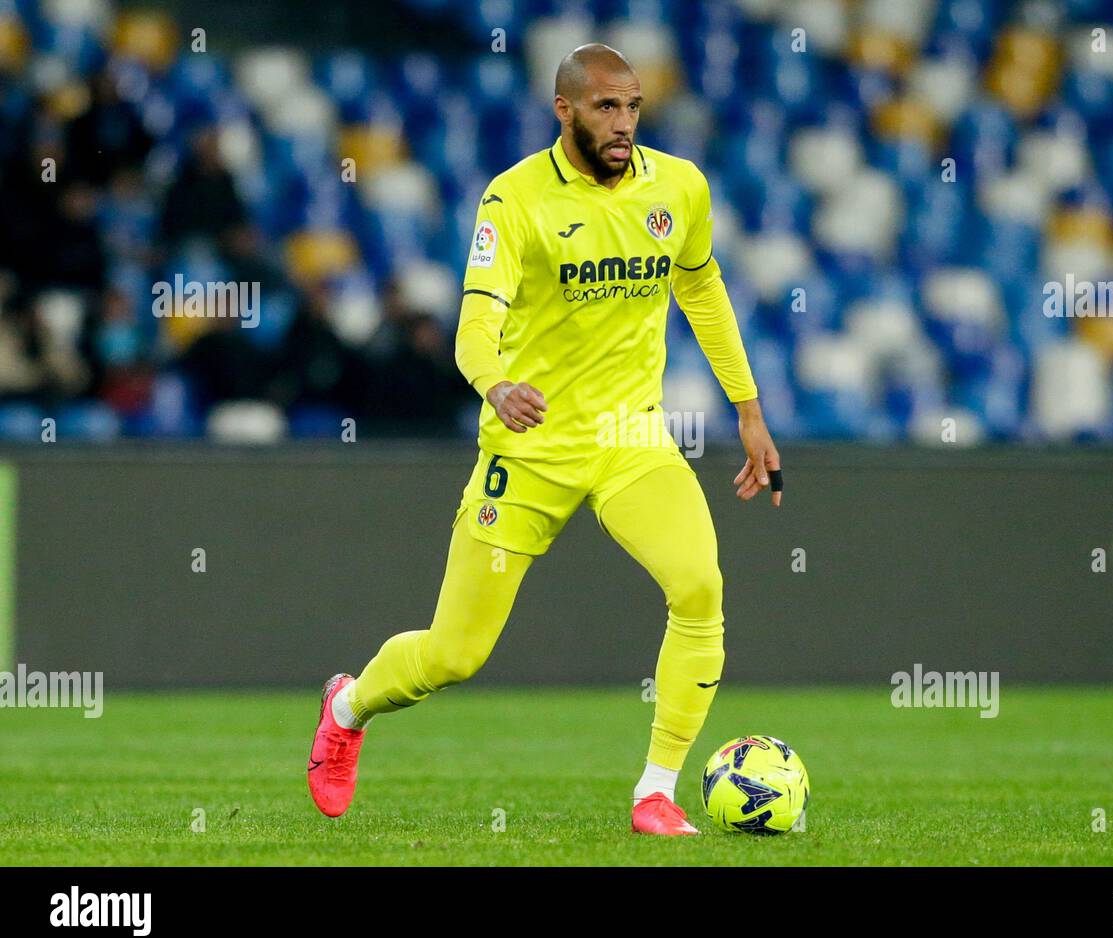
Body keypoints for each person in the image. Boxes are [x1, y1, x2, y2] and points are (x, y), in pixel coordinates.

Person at [306, 43, 783, 836]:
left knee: (699, 586)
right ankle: (348, 706)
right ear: (564, 110)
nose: (624, 122)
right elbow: (474, 325)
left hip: (632, 436)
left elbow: (700, 284)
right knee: (457, 654)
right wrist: (497, 383)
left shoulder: (679, 186)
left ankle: (654, 792)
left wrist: (749, 408)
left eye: (633, 106)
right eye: (606, 107)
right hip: (529, 449)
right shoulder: (514, 199)